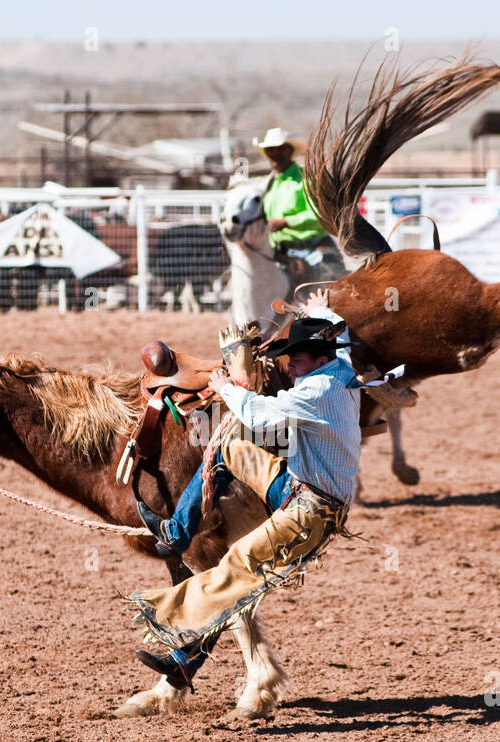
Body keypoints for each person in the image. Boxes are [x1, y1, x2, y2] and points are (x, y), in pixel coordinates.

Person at [130, 290, 361, 687]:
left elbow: (258, 414)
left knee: (238, 566)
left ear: (318, 361)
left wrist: (225, 387)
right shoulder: (339, 369)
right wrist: (318, 310)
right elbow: (344, 343)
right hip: (299, 489)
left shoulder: (315, 392)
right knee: (227, 450)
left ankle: (178, 643)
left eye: (298, 360)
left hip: (309, 512)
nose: (291, 368)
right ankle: (177, 531)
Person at [253, 127, 344, 282]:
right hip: (277, 250)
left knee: (332, 288)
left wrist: (287, 222)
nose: (275, 154)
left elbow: (320, 213)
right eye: (270, 150)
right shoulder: (266, 185)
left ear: (289, 150)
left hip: (313, 248)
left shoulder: (306, 179)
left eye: (279, 149)